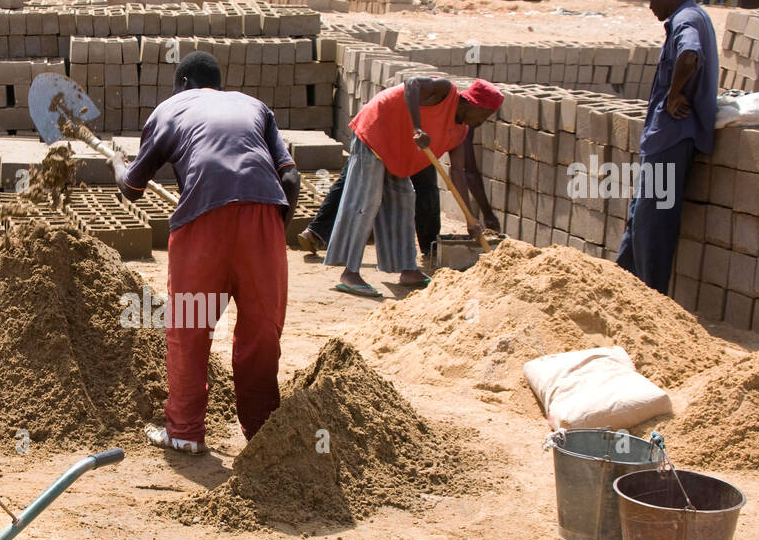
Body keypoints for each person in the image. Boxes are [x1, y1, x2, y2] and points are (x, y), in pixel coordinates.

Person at [113, 52, 301, 454]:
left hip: (203, 224)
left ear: (183, 84)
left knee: (190, 327)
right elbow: (291, 176)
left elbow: (131, 187)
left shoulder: (170, 109)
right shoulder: (254, 107)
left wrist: (117, 165)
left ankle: (183, 431)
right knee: (261, 332)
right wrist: (269, 236)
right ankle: (264, 434)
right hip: (265, 217)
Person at [322, 77, 504, 296]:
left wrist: (470, 219)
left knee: (404, 201)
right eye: (483, 116)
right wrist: (418, 128)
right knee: (365, 201)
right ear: (473, 103)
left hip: (398, 153)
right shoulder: (445, 92)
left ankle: (407, 269)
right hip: (377, 129)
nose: (481, 122)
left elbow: (459, 172)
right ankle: (349, 273)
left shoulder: (461, 132)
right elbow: (412, 84)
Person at [616, 0, 717, 295]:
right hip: (665, 140)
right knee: (638, 220)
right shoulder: (695, 16)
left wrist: (674, 95)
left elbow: (689, 55)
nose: (648, 5)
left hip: (671, 137)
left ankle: (651, 302)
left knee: (652, 225)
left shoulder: (685, 21)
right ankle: (621, 289)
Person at [298, 163, 452, 263]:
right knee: (423, 179)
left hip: (373, 131)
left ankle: (315, 231)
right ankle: (430, 246)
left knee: (353, 176)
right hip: (385, 134)